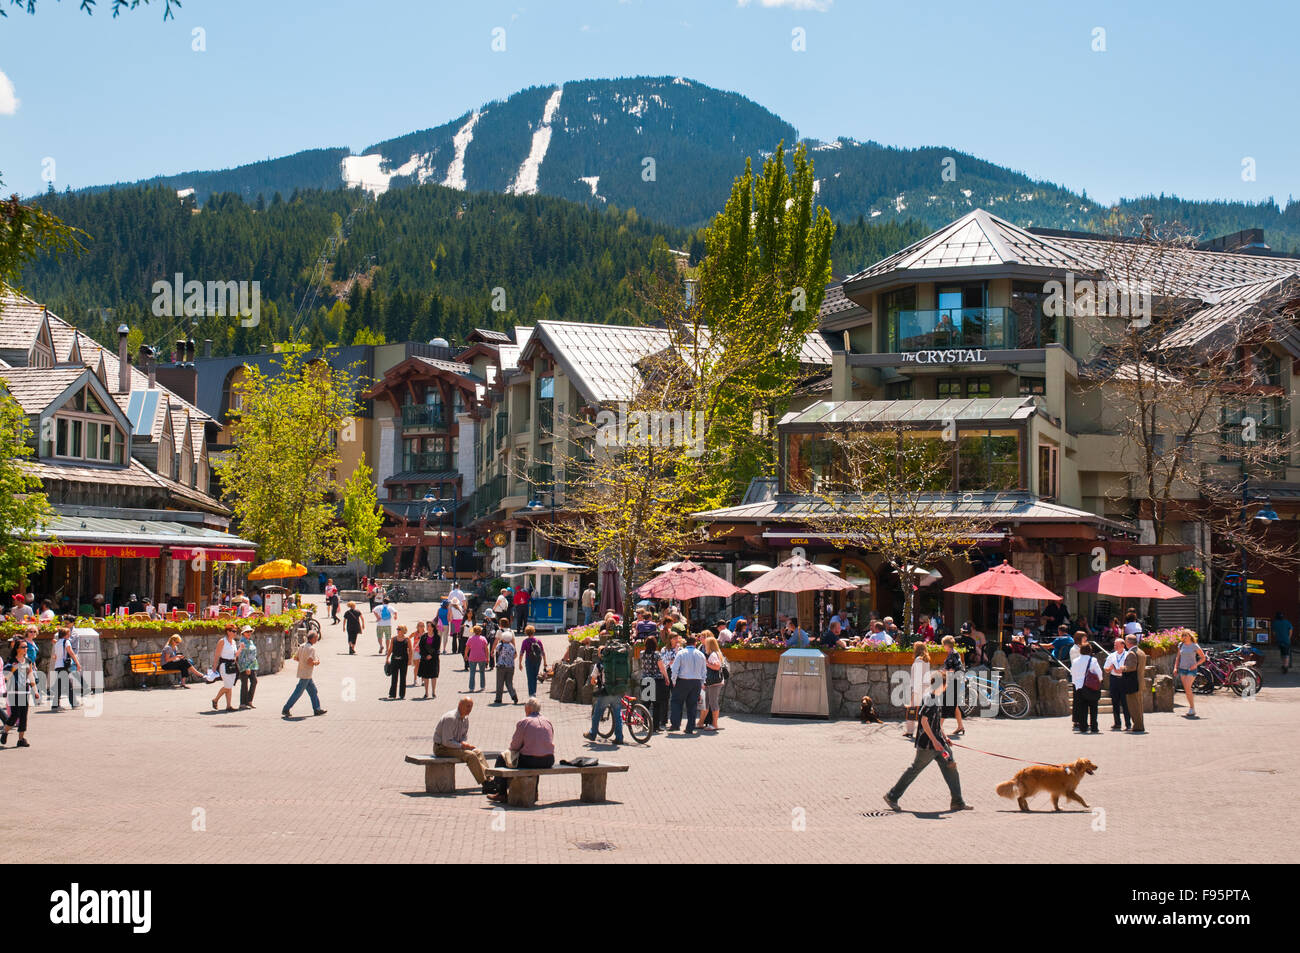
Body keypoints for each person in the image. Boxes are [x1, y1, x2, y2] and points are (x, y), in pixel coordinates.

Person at [884, 681, 972, 813]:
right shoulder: (930, 699)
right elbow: (924, 721)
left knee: (951, 765)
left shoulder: (936, 697)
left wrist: (944, 737)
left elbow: (935, 722)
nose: (947, 687)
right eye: (945, 684)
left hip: (939, 744)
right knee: (914, 769)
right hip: (928, 745)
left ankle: (957, 802)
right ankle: (892, 796)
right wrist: (935, 741)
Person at [433, 698, 486, 785]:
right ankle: (485, 782)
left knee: (478, 752)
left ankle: (490, 779)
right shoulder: (450, 718)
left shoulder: (465, 718)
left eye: (471, 707)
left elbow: (464, 736)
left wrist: (464, 743)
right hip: (441, 748)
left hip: (455, 746)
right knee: (471, 755)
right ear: (460, 705)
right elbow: (446, 742)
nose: (470, 709)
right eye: (467, 706)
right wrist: (462, 746)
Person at [1, 636, 39, 747]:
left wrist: (35, 691)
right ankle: (5, 731)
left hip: (25, 691)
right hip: (14, 691)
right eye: (23, 647)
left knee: (23, 716)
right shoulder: (11, 661)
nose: (25, 649)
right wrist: (13, 669)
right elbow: (6, 678)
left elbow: (30, 675)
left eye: (26, 647)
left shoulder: (28, 661)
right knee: (14, 715)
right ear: (17, 649)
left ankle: (21, 739)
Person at [584, 643, 625, 745]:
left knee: (597, 714)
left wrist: (596, 682)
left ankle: (592, 733)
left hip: (606, 692)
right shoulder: (616, 662)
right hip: (617, 691)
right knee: (617, 715)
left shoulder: (599, 665)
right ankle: (619, 737)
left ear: (600, 654)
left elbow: (593, 680)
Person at [669, 634, 707, 734]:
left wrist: (673, 681)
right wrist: (702, 682)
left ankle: (675, 724)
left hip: (683, 680)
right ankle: (690, 727)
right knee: (692, 705)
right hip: (696, 682)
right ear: (695, 643)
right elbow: (704, 671)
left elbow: (674, 668)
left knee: (676, 702)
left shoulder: (681, 653)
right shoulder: (701, 654)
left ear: (686, 643)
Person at [282, 630, 326, 718]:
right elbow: (310, 661)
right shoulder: (312, 649)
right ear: (313, 638)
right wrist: (316, 662)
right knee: (298, 692)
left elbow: (296, 658)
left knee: (313, 691)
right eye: (316, 638)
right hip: (306, 674)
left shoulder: (302, 646)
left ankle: (317, 708)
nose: (317, 639)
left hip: (303, 672)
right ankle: (286, 708)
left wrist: (303, 661)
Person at [639, 634, 669, 732]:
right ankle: (656, 726)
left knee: (645, 704)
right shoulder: (657, 655)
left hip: (645, 680)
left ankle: (644, 724)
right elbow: (662, 668)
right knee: (656, 705)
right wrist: (666, 678)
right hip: (656, 681)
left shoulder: (641, 653)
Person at [1070, 643, 1103, 733]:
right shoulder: (1093, 660)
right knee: (1093, 708)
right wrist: (1099, 681)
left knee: (1082, 708)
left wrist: (1076, 684)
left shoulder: (1075, 661)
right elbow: (1099, 673)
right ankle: (1094, 727)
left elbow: (1073, 673)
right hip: (1091, 687)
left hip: (1079, 687)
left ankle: (1083, 726)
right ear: (1090, 651)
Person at [1175, 630, 1208, 719]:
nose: (1184, 637)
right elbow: (1178, 657)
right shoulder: (1181, 645)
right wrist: (1175, 667)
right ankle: (1192, 708)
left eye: (1186, 635)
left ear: (1190, 636)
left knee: (1187, 687)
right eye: (1183, 635)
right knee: (1187, 689)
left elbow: (1203, 658)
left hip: (1191, 669)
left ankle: (1191, 708)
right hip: (1182, 669)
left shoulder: (1194, 645)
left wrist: (1195, 665)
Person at [1103, 637, 1133, 731]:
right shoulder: (1111, 655)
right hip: (1114, 679)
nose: (1115, 646)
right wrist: (1110, 668)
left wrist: (1122, 669)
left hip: (1124, 679)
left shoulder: (1128, 655)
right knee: (1115, 702)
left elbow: (1130, 667)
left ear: (1123, 645)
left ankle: (1128, 723)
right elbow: (1106, 669)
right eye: (1114, 645)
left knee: (1125, 703)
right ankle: (1117, 723)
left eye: (1117, 645)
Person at [940, 635, 966, 736]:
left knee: (947, 703)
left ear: (947, 645)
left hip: (955, 681)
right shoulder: (951, 653)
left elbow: (958, 668)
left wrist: (949, 671)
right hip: (953, 680)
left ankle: (938, 727)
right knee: (954, 704)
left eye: (944, 645)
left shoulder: (954, 654)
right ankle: (960, 726)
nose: (943, 647)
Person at [49, 626, 80, 710]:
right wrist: (77, 663)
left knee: (60, 685)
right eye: (68, 633)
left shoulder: (58, 643)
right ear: (65, 634)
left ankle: (55, 705)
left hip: (58, 666)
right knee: (68, 685)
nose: (69, 634)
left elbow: (55, 656)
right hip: (64, 666)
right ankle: (74, 703)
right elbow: (71, 652)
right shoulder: (66, 642)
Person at [211, 625, 241, 712]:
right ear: (228, 631)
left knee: (230, 685)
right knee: (228, 685)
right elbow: (217, 654)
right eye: (233, 631)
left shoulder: (234, 642)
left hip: (232, 664)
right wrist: (214, 666)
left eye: (236, 631)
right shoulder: (222, 641)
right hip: (224, 664)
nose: (235, 633)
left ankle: (228, 706)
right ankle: (215, 699)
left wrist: (241, 649)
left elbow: (235, 654)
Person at [701, 635, 726, 731]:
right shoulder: (717, 653)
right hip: (714, 682)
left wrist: (706, 663)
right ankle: (709, 723)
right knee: (709, 702)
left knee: (713, 703)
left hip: (714, 682)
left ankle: (715, 724)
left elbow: (717, 666)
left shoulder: (713, 654)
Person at [1123, 633, 1146, 733]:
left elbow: (1131, 667)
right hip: (1140, 682)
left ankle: (1137, 726)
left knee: (1133, 706)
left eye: (1125, 641)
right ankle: (1139, 724)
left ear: (1128, 642)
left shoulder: (1132, 653)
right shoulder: (1141, 652)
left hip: (1133, 683)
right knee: (1139, 705)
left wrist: (1122, 668)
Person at [492, 626, 519, 704]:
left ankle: (498, 699)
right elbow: (515, 655)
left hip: (501, 666)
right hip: (511, 666)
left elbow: (497, 651)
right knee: (509, 682)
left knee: (500, 682)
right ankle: (513, 695)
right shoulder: (512, 646)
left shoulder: (500, 645)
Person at [518, 624, 546, 697]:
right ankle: (534, 692)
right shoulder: (538, 641)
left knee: (530, 677)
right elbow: (543, 652)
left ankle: (531, 693)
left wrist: (520, 663)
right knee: (535, 676)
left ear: (526, 632)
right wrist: (545, 662)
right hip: (538, 660)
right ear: (533, 632)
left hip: (529, 660)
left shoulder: (525, 641)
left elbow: (521, 653)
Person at [236, 625, 260, 709]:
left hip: (252, 665)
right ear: (243, 633)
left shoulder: (250, 641)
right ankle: (243, 703)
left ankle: (249, 701)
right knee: (244, 684)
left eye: (250, 631)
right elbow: (241, 656)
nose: (249, 633)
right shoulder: (242, 642)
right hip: (245, 666)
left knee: (254, 681)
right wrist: (246, 667)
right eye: (247, 632)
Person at [417, 620, 440, 699]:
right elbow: (421, 647)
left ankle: (433, 692)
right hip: (425, 659)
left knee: (434, 676)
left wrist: (431, 655)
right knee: (426, 676)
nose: (428, 628)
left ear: (433, 627)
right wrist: (426, 655)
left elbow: (437, 647)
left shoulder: (437, 637)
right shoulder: (424, 636)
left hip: (434, 659)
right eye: (427, 626)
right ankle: (426, 693)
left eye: (429, 626)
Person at [387, 625, 410, 699]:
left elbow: (411, 650)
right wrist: (387, 658)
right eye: (397, 629)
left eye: (399, 629)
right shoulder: (393, 639)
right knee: (394, 677)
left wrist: (410, 660)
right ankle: (392, 694)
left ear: (403, 630)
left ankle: (402, 694)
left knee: (403, 678)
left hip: (404, 660)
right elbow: (390, 649)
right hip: (394, 660)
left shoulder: (407, 639)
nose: (398, 630)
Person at [464, 624, 489, 692]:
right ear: (480, 631)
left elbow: (467, 648)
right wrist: (487, 658)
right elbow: (486, 649)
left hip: (472, 657)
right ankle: (482, 686)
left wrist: (465, 655)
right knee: (482, 672)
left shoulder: (470, 638)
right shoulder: (483, 638)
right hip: (481, 657)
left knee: (472, 673)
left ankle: (471, 688)